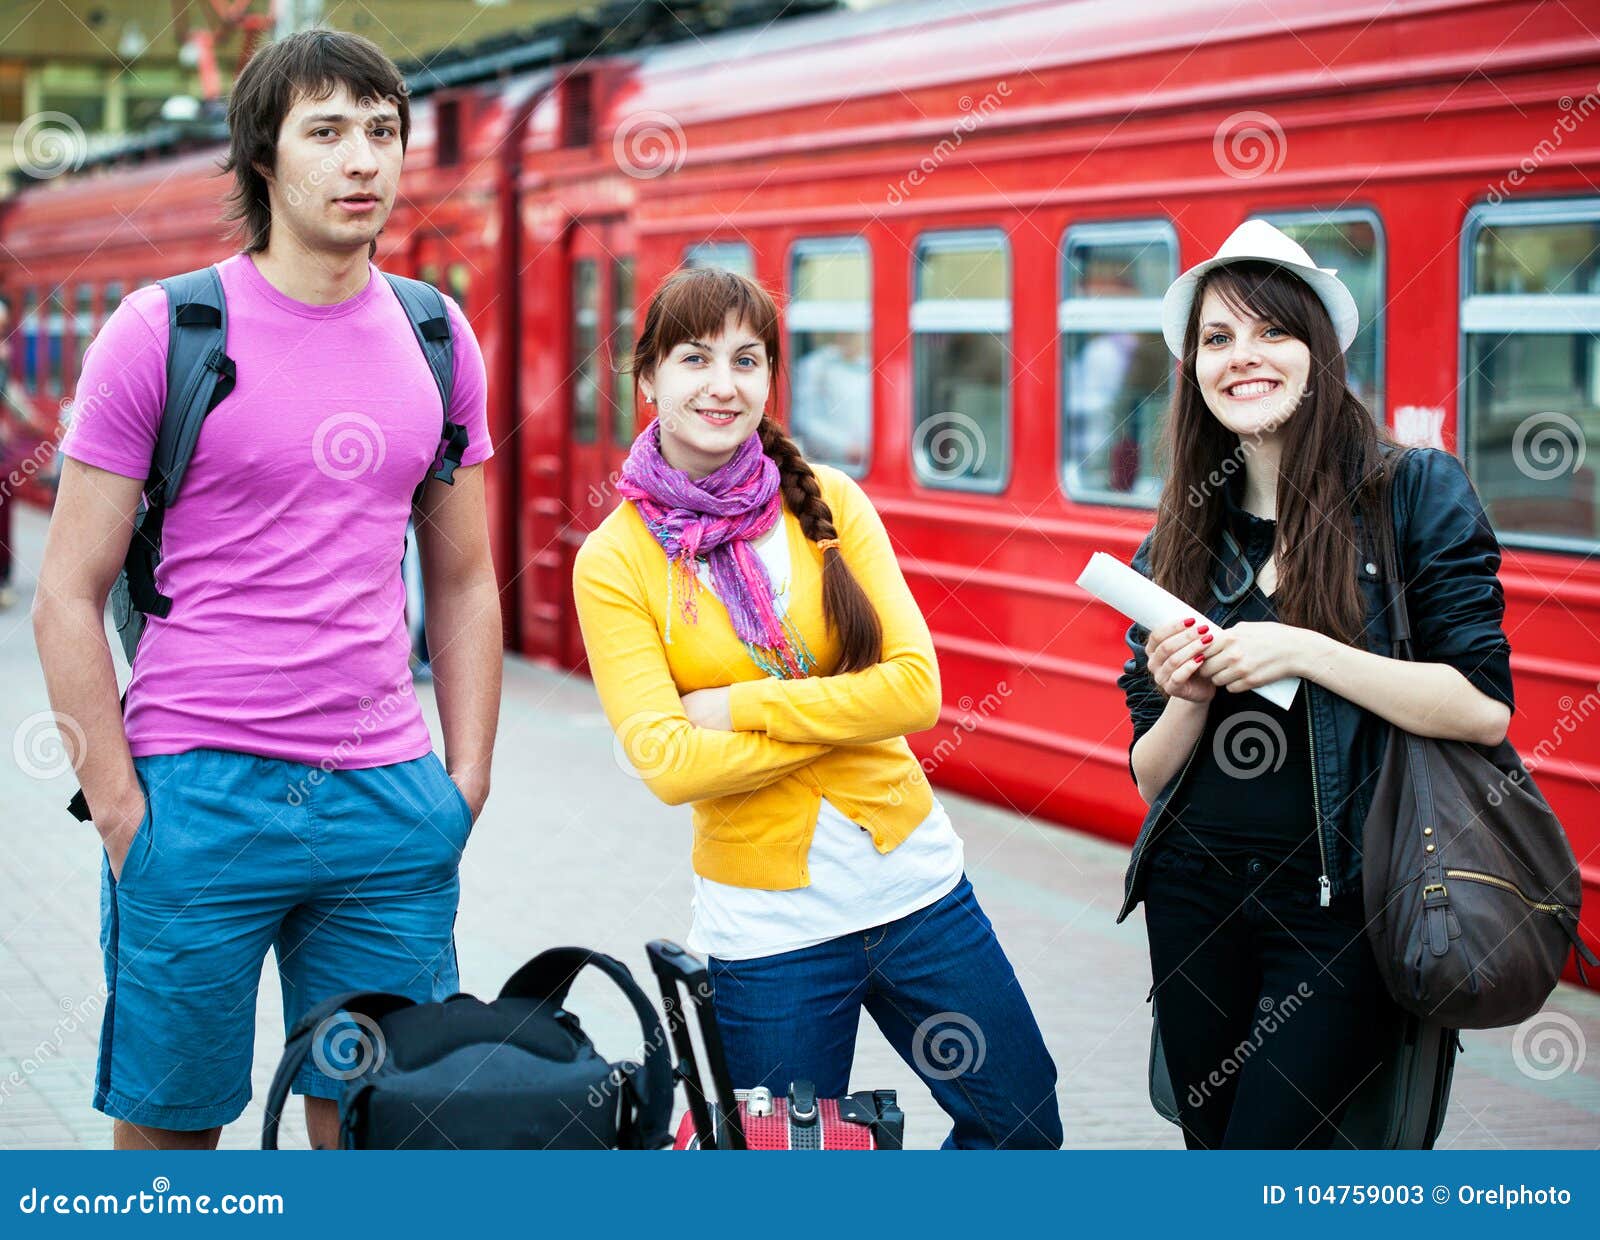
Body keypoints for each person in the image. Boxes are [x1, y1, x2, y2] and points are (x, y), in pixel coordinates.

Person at [32, 30, 501, 1151]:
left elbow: (468, 575)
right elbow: (65, 590)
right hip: (200, 795)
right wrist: (122, 814)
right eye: (328, 132)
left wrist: (464, 782)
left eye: (382, 133)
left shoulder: (434, 333)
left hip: (390, 802)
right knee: (171, 1129)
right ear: (262, 158)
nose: (363, 162)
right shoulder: (168, 330)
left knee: (377, 1128)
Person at [573, 266, 1062, 1149]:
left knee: (1019, 1127)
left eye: (747, 359)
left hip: (918, 891)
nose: (724, 385)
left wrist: (747, 706)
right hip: (771, 932)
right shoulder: (614, 561)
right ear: (646, 378)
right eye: (695, 359)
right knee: (787, 1184)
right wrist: (846, 716)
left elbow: (917, 690)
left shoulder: (832, 503)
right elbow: (669, 763)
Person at [1115, 219, 1515, 1149]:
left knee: (1272, 1152)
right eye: (1217, 339)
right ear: (1193, 369)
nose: (1241, 357)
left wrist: (1302, 650)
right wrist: (1185, 692)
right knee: (1214, 1150)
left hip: (1338, 905)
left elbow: (1481, 706)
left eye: (1270, 332)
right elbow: (1148, 774)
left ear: (1320, 352)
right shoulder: (1177, 535)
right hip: (1193, 897)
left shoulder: (1413, 494)